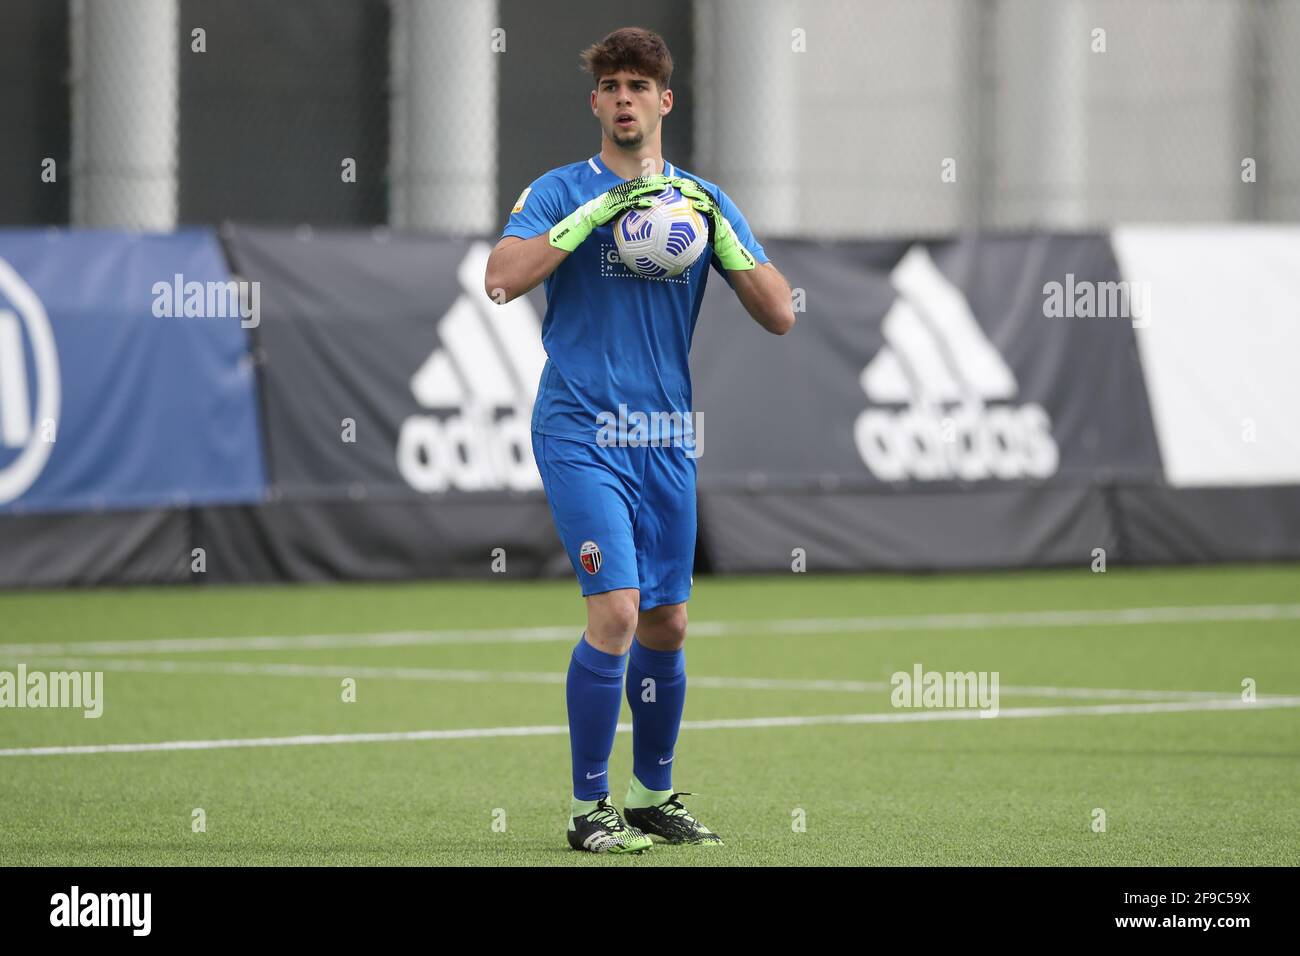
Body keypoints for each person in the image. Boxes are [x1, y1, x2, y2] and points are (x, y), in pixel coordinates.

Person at [484, 26, 795, 854]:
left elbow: (780, 314)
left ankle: (652, 795)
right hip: (582, 429)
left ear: (665, 101)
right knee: (617, 613)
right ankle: (590, 810)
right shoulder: (558, 190)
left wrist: (726, 239)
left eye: (639, 86)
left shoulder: (700, 199)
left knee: (667, 626)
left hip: (662, 438)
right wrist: (589, 218)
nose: (625, 99)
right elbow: (500, 280)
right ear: (596, 103)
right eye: (611, 86)